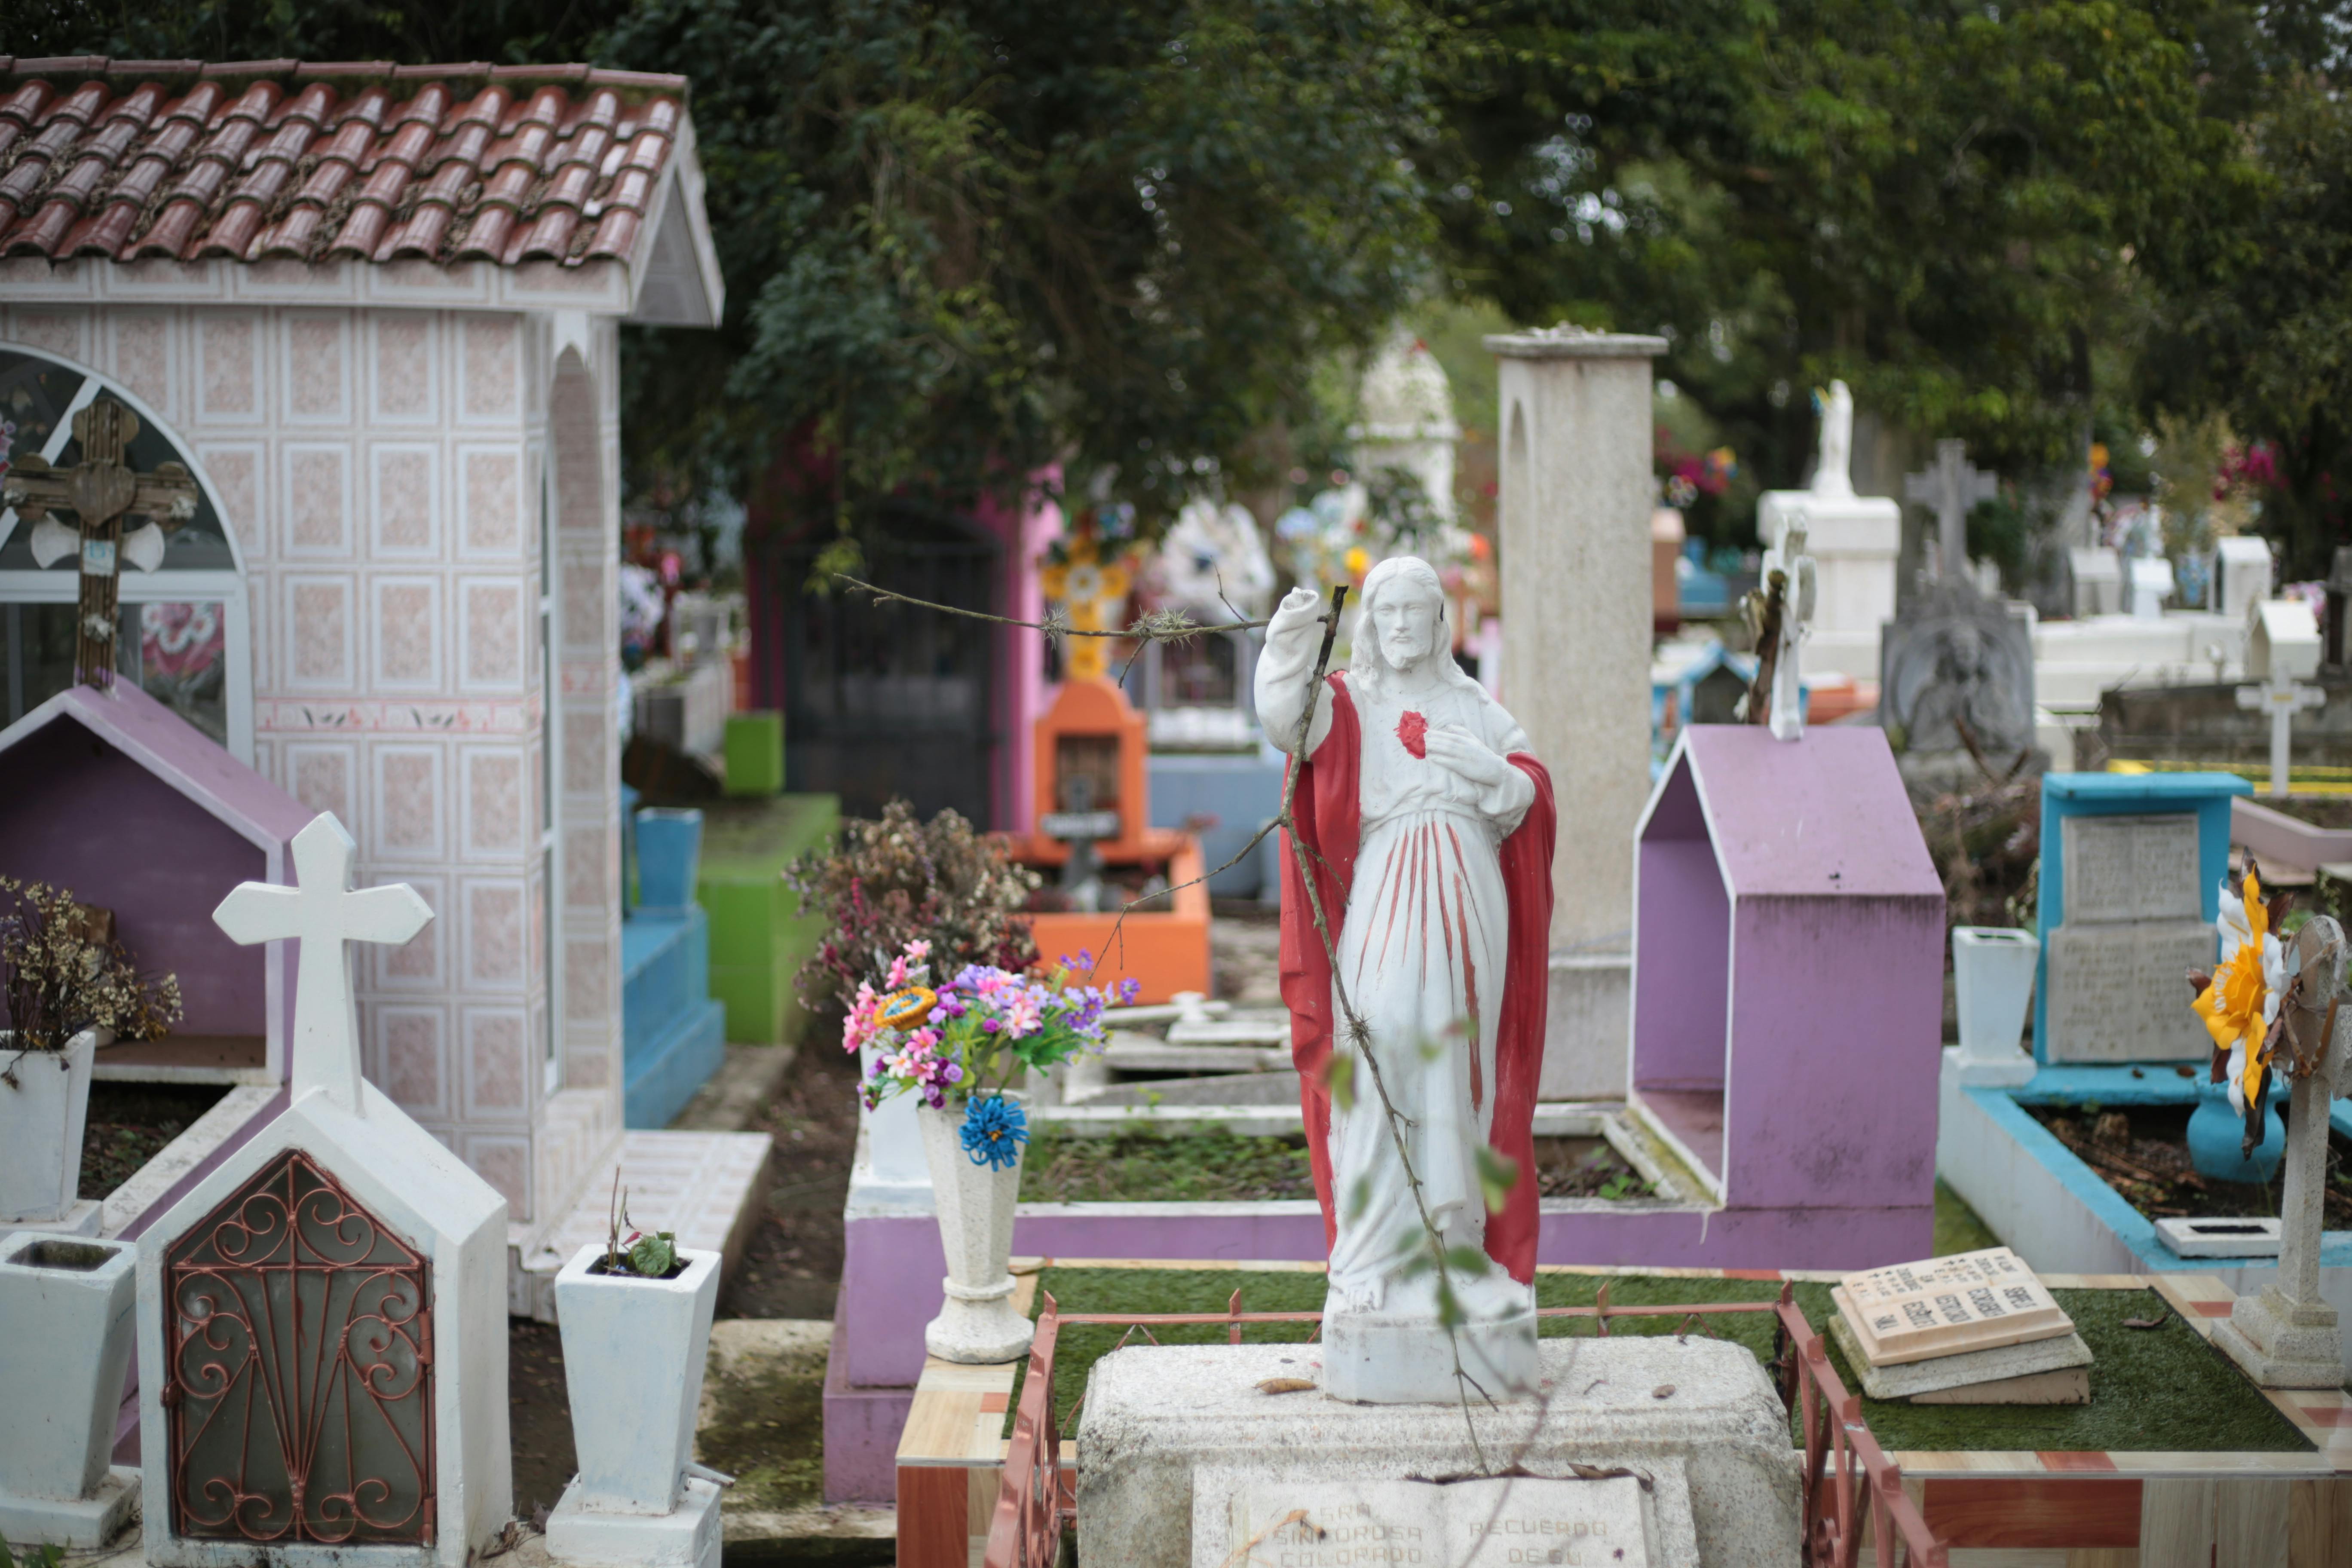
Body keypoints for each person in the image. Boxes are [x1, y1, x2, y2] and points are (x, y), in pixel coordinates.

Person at [1256, 556, 1556, 1330]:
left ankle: (1453, 1251)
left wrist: (1489, 770)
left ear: (1437, 623)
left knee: (1456, 1064)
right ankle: (1370, 1254)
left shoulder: (1472, 704)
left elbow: (1529, 790)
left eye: (1413, 612)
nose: (1398, 627)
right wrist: (1290, 638)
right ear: (1369, 624)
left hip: (1468, 898)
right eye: (1385, 613)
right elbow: (1286, 718)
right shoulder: (1352, 701)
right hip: (1387, 887)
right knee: (1379, 1044)